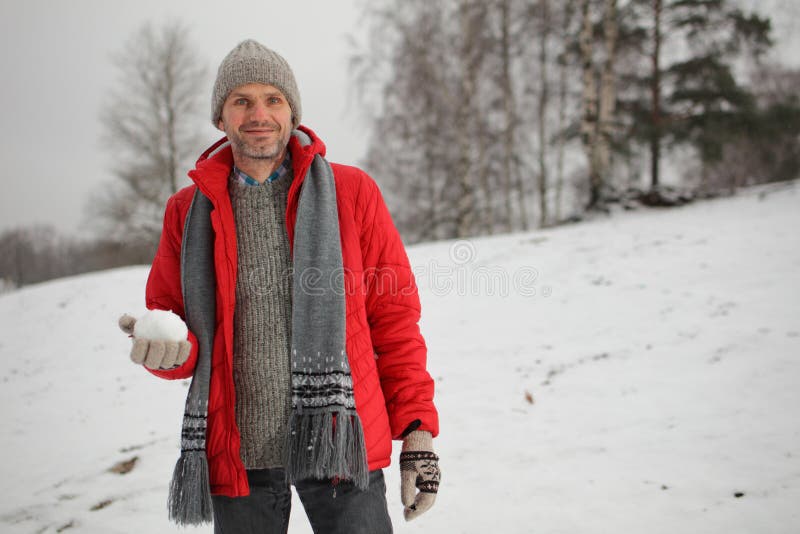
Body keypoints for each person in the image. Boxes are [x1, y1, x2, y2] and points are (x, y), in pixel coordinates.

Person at [118, 39, 440, 534]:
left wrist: (417, 433)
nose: (258, 113)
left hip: (341, 443)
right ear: (220, 118)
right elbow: (179, 332)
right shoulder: (187, 211)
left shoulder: (352, 194)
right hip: (239, 452)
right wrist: (163, 348)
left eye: (273, 98)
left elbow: (394, 321)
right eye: (241, 100)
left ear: (292, 111)